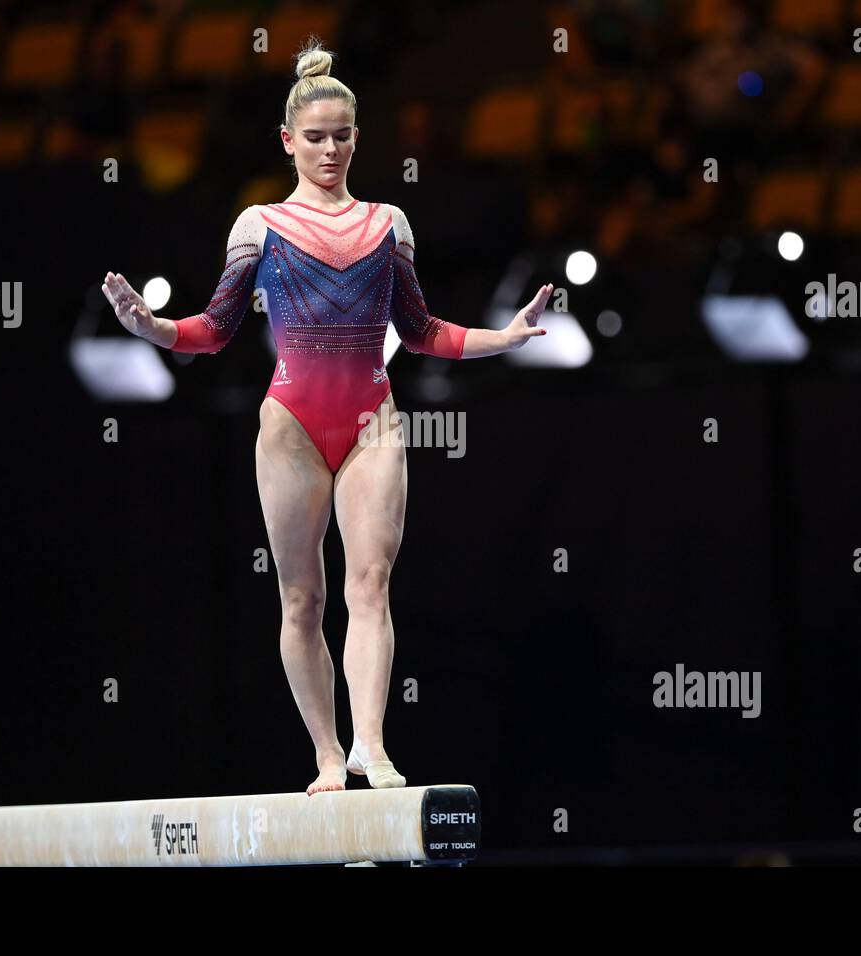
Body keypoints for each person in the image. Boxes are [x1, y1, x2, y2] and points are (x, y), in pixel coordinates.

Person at [101, 37, 551, 795]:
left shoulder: (389, 224)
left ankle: (371, 747)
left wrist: (504, 337)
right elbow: (213, 330)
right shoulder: (258, 226)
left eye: (342, 136)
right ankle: (324, 753)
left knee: (370, 584)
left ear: (357, 137)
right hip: (291, 427)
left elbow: (422, 332)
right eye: (315, 138)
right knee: (302, 596)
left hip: (374, 418)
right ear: (288, 141)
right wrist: (152, 328)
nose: (331, 149)